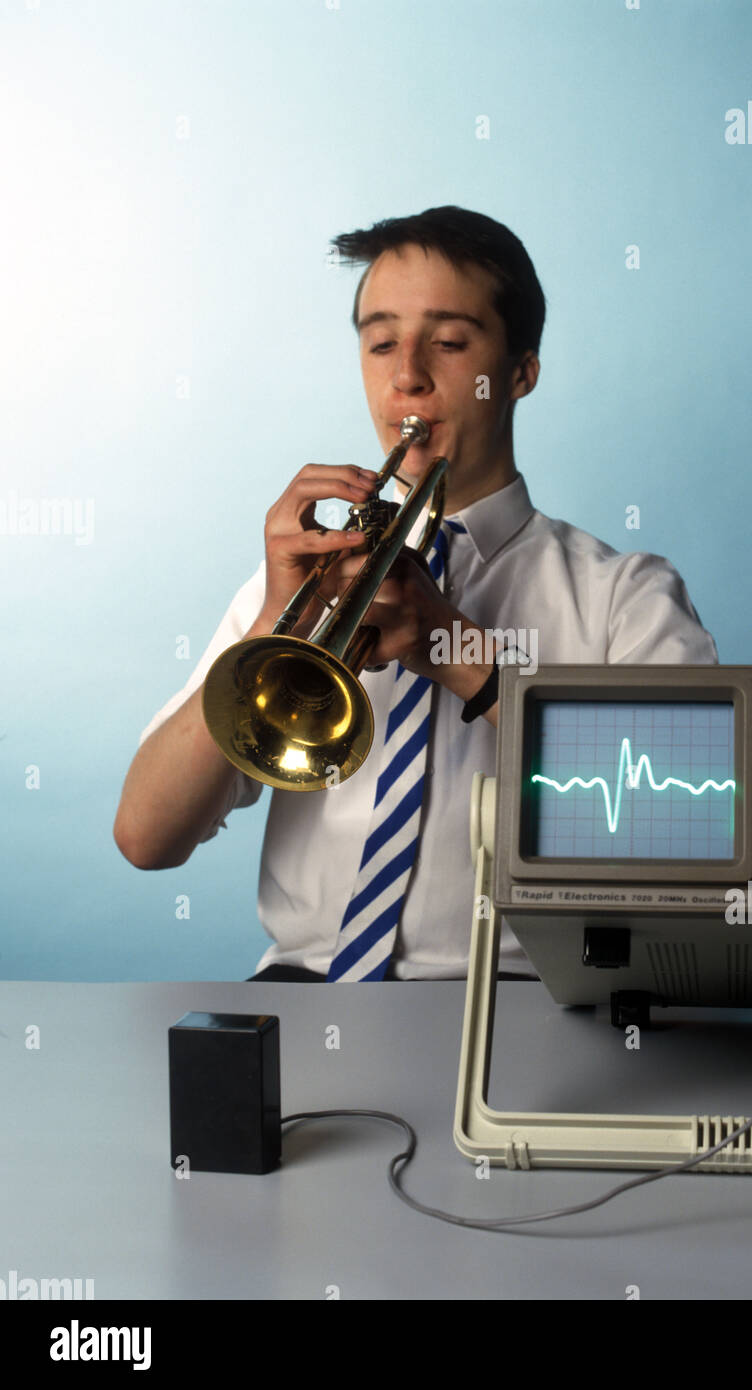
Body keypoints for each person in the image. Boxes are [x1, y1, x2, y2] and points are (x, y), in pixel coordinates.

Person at [114, 205, 718, 981]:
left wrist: (456, 651)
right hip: (308, 990)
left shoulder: (623, 594)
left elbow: (690, 823)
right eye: (381, 342)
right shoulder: (300, 586)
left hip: (531, 1001)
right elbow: (144, 839)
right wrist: (270, 622)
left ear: (520, 370)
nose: (407, 375)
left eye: (449, 342)